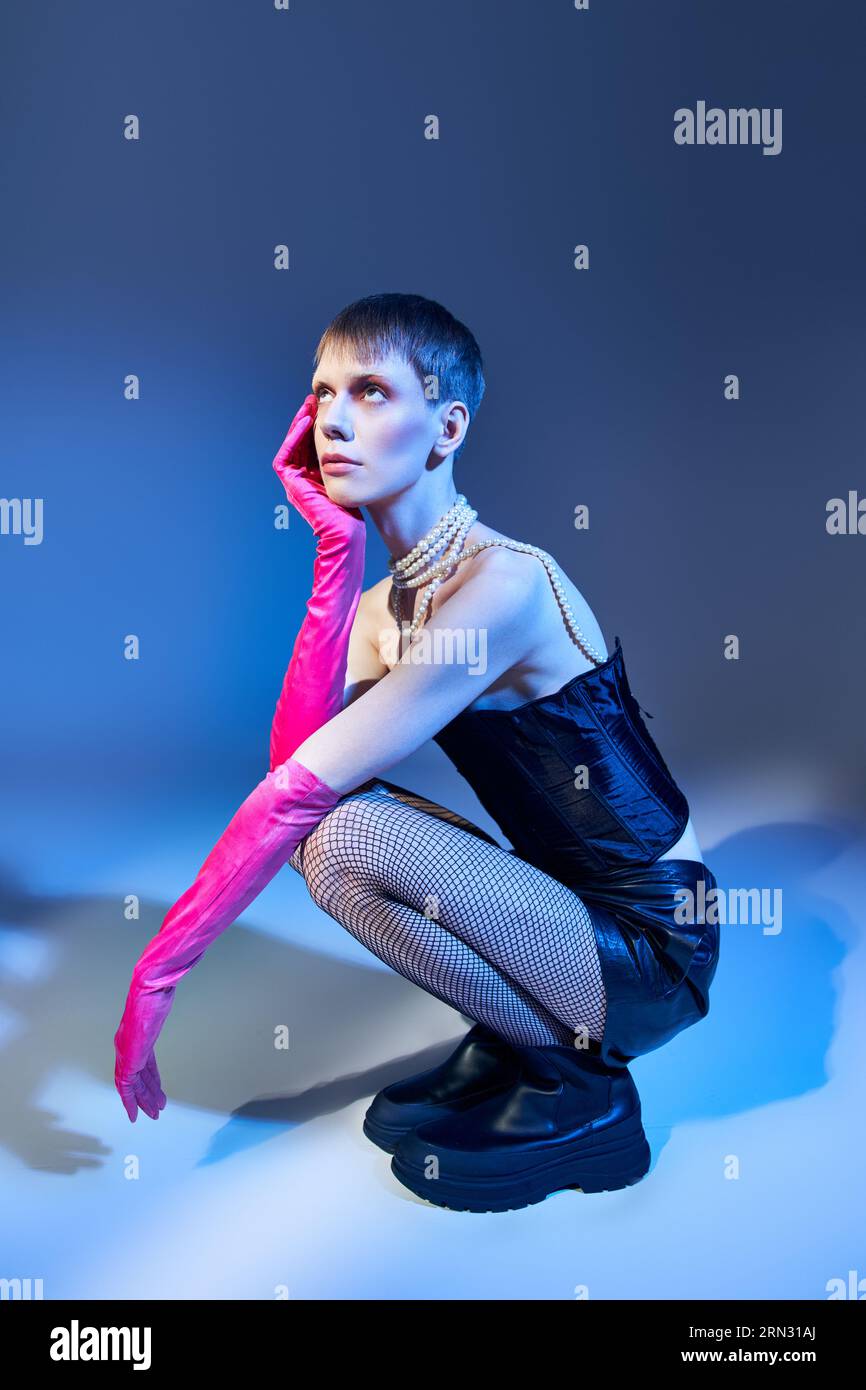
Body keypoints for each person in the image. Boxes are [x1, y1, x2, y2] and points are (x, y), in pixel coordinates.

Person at [114, 292, 720, 1214]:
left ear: (446, 428)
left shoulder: (505, 586)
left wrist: (156, 975)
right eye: (321, 394)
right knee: (331, 838)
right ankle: (520, 1033)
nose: (335, 421)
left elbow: (297, 796)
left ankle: (585, 1092)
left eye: (370, 391)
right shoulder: (385, 613)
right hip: (556, 916)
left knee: (345, 833)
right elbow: (295, 764)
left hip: (651, 946)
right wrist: (332, 551)